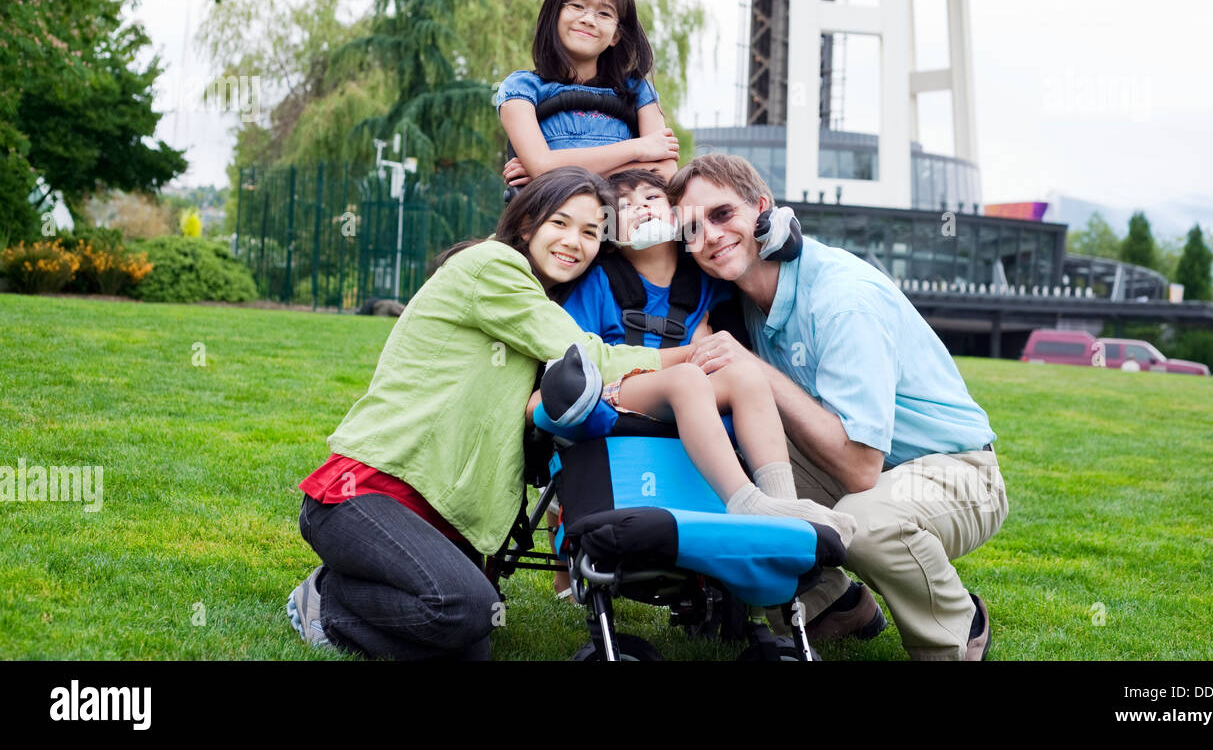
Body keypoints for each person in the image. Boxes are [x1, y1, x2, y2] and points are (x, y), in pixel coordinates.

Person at [287, 168, 696, 660]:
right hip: (365, 493)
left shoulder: (536, 301)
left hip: (438, 517)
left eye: (591, 232)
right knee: (464, 611)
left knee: (471, 647)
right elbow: (588, 354)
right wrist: (691, 356)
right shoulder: (494, 266)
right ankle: (326, 601)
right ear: (526, 225)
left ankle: (362, 584)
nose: (574, 241)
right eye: (561, 223)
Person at [670, 154, 1008, 661]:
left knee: (866, 522)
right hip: (862, 466)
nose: (711, 236)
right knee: (722, 462)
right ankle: (835, 606)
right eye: (692, 229)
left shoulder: (841, 298)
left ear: (762, 209)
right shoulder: (739, 295)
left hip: (954, 470)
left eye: (722, 214)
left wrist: (757, 370)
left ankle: (957, 631)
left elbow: (859, 467)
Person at [531, 167, 858, 549]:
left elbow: (729, 345)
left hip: (693, 394)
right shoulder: (598, 281)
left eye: (652, 199)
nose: (641, 208)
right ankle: (745, 503)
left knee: (747, 375)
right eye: (624, 206)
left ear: (676, 215)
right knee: (686, 378)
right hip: (616, 392)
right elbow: (577, 356)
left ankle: (783, 505)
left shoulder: (705, 279)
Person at [497, 0, 679, 192]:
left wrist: (555, 169)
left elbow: (665, 176)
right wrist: (638, 150)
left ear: (616, 35)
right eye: (577, 5)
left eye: (604, 13)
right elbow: (542, 167)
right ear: (555, 15)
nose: (588, 19)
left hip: (619, 222)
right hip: (551, 220)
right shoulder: (521, 89)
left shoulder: (639, 91)